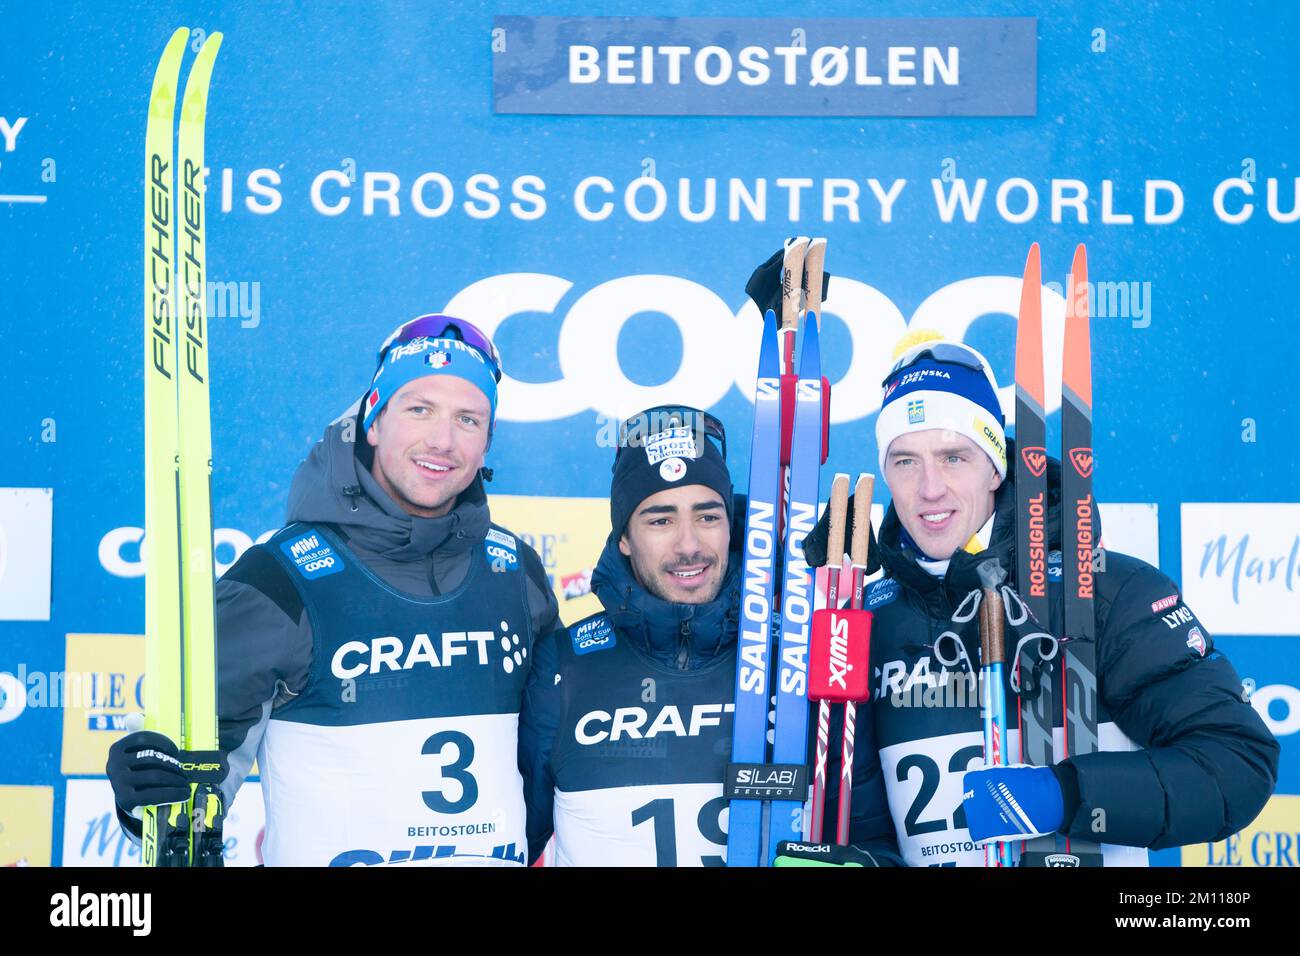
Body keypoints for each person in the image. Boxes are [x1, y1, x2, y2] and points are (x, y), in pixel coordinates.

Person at [804, 331, 1279, 866]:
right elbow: (870, 828)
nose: (929, 488)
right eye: (905, 461)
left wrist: (1067, 795)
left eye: (954, 457)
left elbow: (1235, 763)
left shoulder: (1103, 591)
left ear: (997, 466)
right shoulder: (867, 618)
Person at [107, 314, 560, 866]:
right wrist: (146, 788)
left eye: (469, 419)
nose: (442, 441)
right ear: (374, 420)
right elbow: (190, 784)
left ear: (488, 441)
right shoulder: (281, 580)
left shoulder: (514, 574)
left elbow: (551, 755)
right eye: (419, 409)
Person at [519, 405, 901, 866]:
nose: (688, 545)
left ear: (731, 524)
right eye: (660, 520)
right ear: (623, 537)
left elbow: (877, 843)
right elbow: (504, 842)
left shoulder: (801, 662)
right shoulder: (563, 670)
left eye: (707, 517)